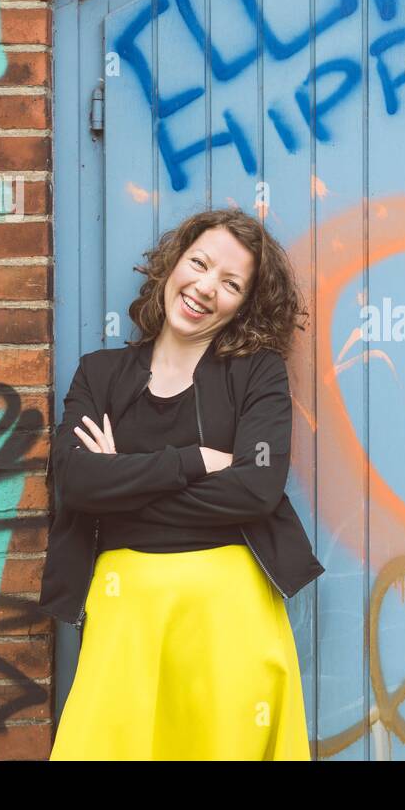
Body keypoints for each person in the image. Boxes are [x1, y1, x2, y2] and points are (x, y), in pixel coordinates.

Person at [46, 207, 321, 760]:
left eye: (231, 284)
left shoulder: (256, 373)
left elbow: (257, 488)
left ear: (244, 305)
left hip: (230, 615)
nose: (205, 288)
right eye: (199, 263)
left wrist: (121, 486)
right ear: (174, 263)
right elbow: (75, 482)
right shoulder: (99, 375)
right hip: (126, 615)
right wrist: (193, 460)